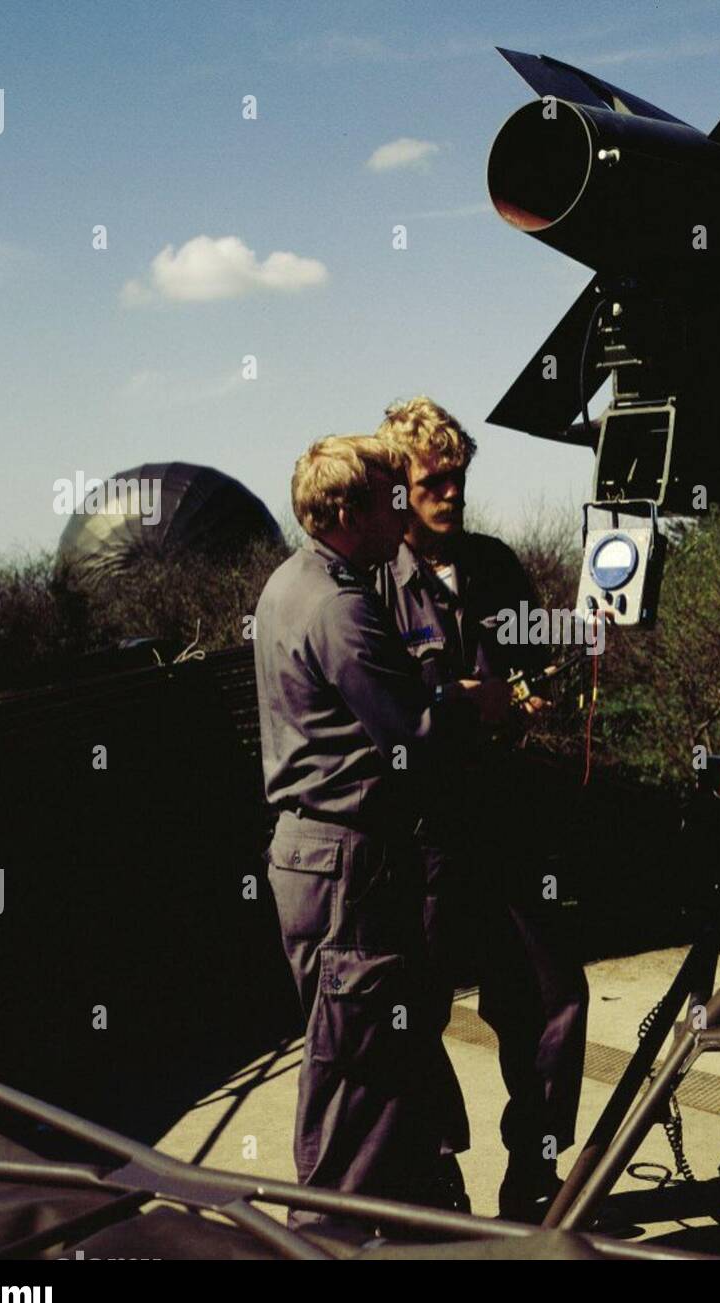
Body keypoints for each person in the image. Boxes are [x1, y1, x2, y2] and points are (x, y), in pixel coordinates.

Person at [253, 432, 506, 1232]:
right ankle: (327, 1237)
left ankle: (390, 1224)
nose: (409, 510)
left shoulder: (294, 583)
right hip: (347, 863)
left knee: (370, 1059)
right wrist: (477, 706)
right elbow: (415, 739)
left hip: (322, 856)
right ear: (351, 511)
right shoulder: (338, 603)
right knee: (354, 1073)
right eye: (394, 497)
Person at [376, 395, 589, 1221]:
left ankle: (534, 1171)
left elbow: (541, 654)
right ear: (399, 482)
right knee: (414, 1011)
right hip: (421, 834)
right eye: (434, 479)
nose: (451, 493)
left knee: (549, 994)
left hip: (503, 823)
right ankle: (436, 1173)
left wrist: (556, 671)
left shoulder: (496, 564)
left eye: (459, 477)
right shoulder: (369, 583)